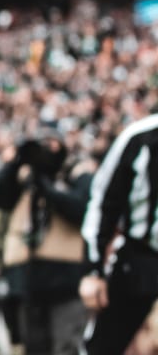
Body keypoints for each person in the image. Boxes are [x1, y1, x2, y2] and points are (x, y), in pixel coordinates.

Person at [0, 129, 91, 355]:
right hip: (28, 281)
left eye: (50, 145)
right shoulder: (24, 177)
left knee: (65, 346)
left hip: (66, 280)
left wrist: (45, 187)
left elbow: (82, 210)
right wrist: (16, 161)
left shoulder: (77, 175)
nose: (44, 153)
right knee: (33, 347)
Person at [80, 113, 158, 355]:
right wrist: (93, 270)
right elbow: (104, 202)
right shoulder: (141, 137)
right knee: (103, 346)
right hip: (140, 262)